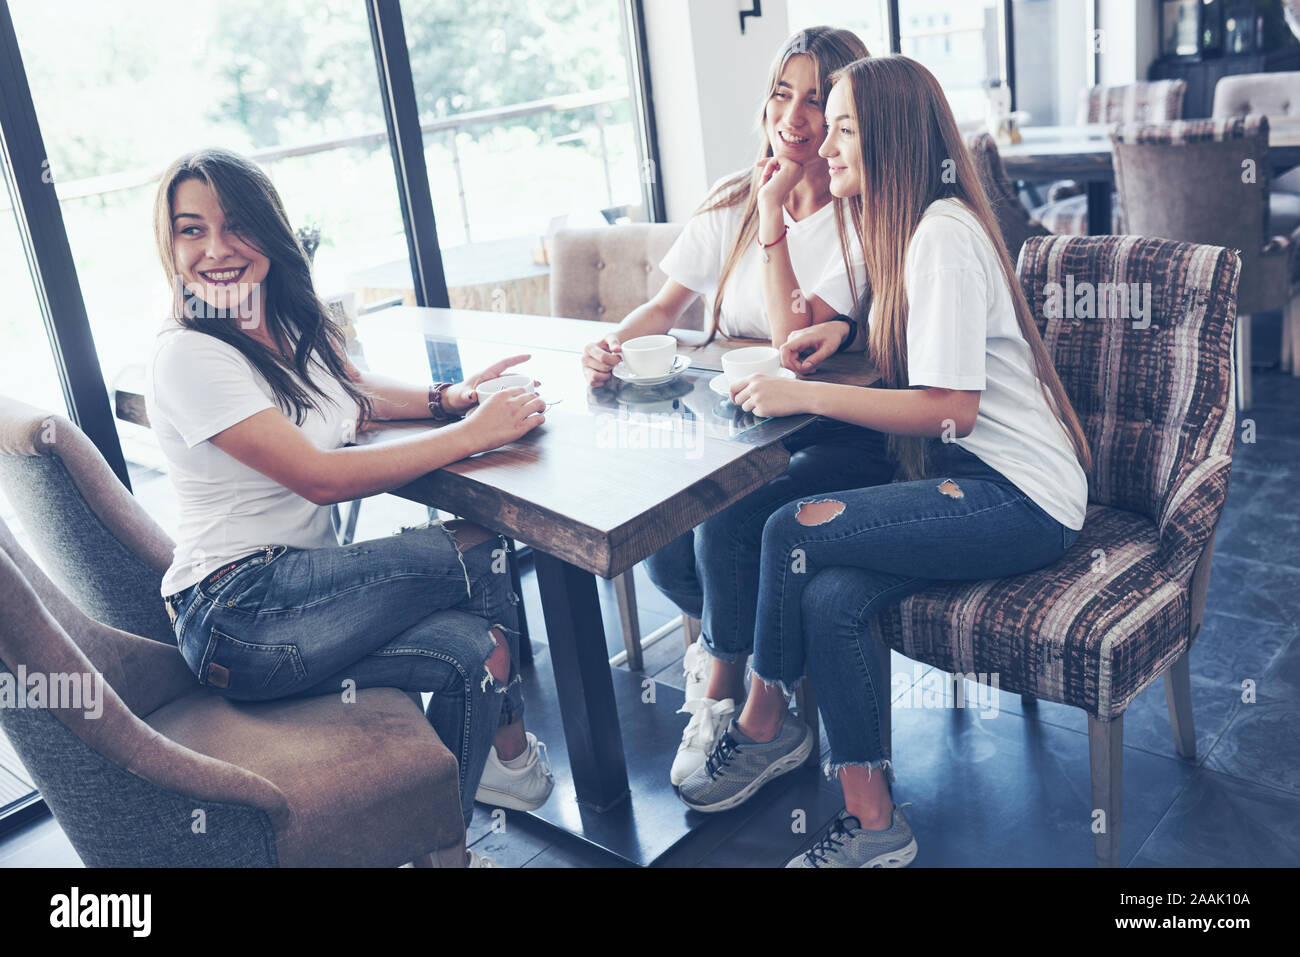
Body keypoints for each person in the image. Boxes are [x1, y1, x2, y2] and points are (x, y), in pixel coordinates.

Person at [675, 55, 1092, 868]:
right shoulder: (905, 228)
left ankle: (764, 727)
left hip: (1020, 496)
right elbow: (927, 354)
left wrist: (808, 396)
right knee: (830, 595)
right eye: (823, 127)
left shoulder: (940, 234)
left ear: (892, 137)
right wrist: (853, 334)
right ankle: (874, 823)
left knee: (790, 526)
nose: (823, 146)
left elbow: (950, 408)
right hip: (970, 484)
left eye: (843, 129)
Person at [145, 148, 554, 864]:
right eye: (191, 230)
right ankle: (510, 763)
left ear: (270, 232)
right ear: (170, 246)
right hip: (236, 611)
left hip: (296, 597)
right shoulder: (188, 355)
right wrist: (471, 433)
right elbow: (321, 477)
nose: (216, 249)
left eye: (235, 224)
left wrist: (444, 402)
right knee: (482, 546)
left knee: (474, 653)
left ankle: (441, 848)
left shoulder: (282, 326)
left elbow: (353, 396)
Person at [579, 26, 894, 789]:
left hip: (831, 429)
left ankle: (725, 694)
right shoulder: (732, 197)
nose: (795, 115)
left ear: (849, 113)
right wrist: (608, 344)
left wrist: (777, 206)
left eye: (818, 100)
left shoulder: (863, 215)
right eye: (783, 93)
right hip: (735, 422)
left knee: (729, 518)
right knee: (662, 537)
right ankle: (748, 650)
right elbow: (663, 306)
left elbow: (792, 342)